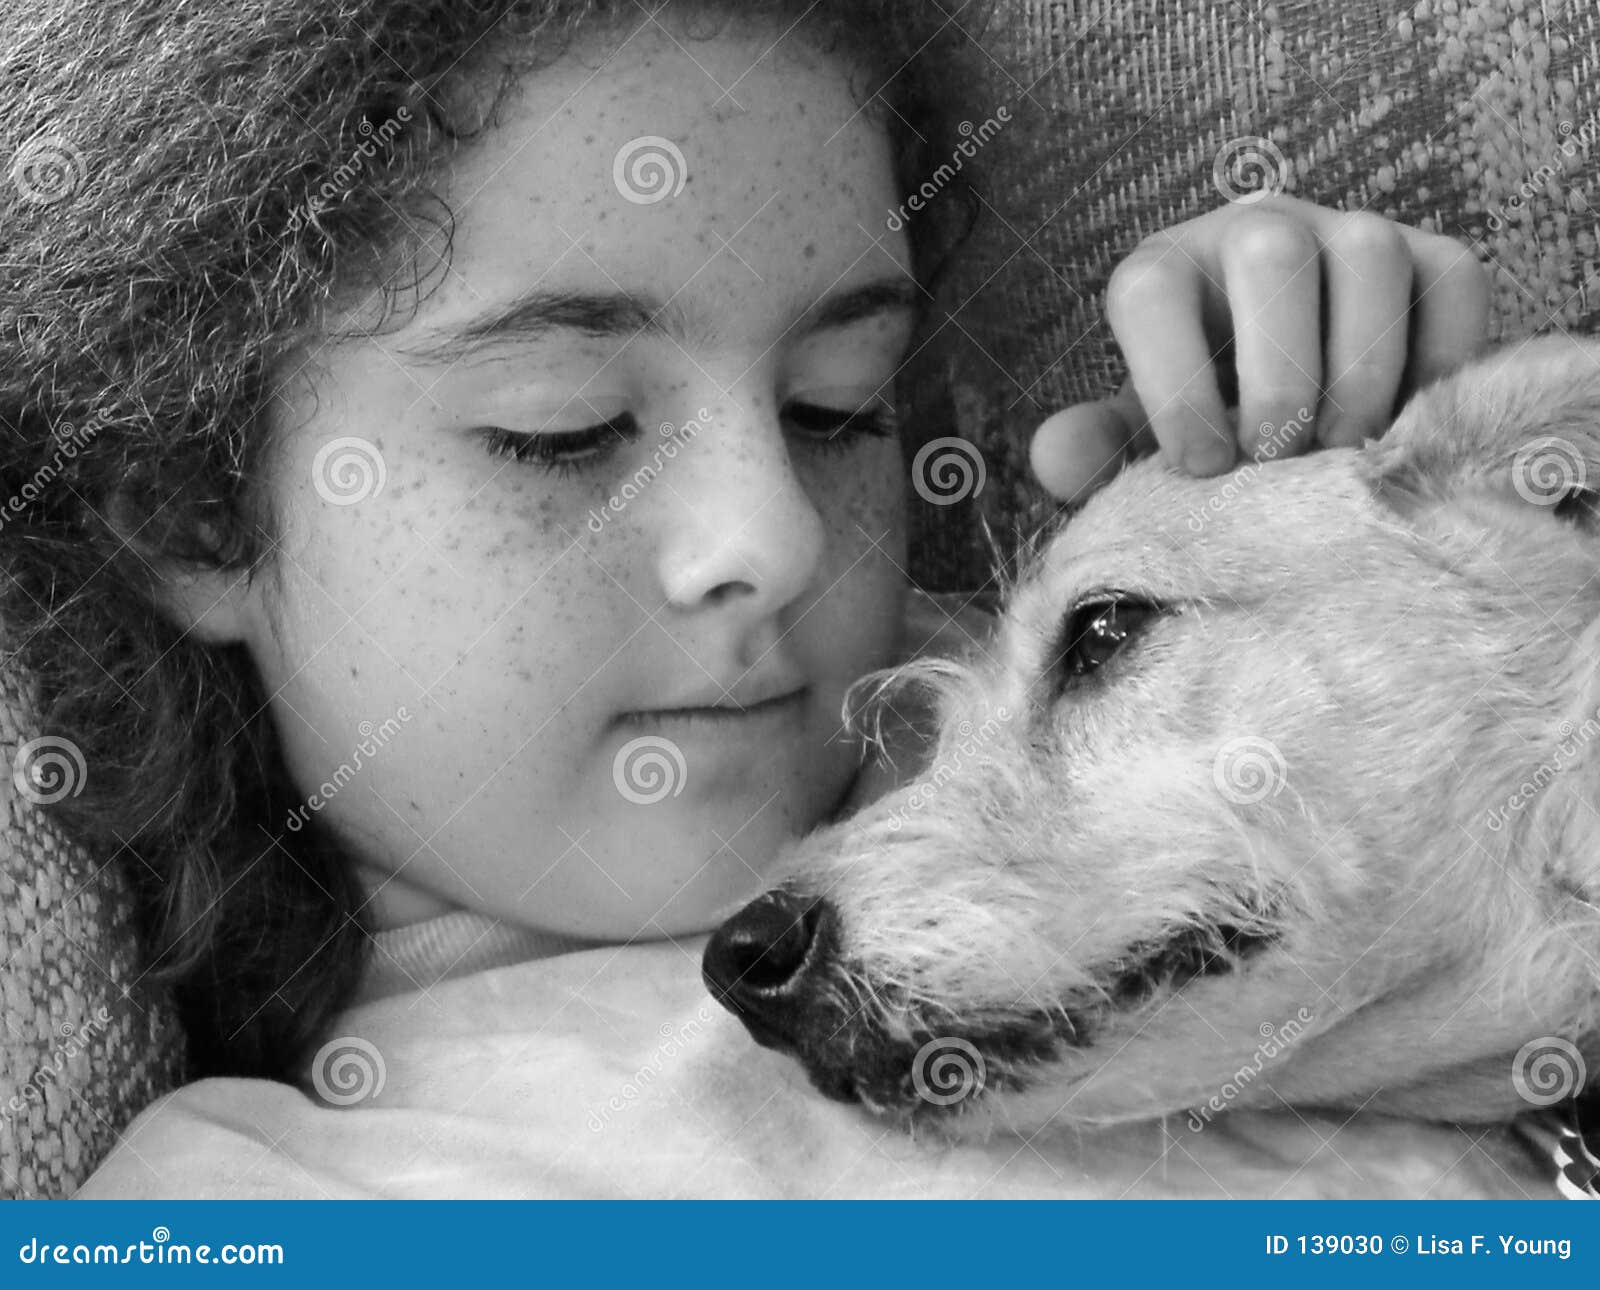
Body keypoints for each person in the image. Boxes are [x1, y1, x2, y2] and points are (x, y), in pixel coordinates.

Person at [0, 0, 1531, 1196]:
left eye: (839, 406)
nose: (779, 536)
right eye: (565, 428)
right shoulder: (252, 1204)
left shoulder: (1110, 806)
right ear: (200, 507)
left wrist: (1377, 474)